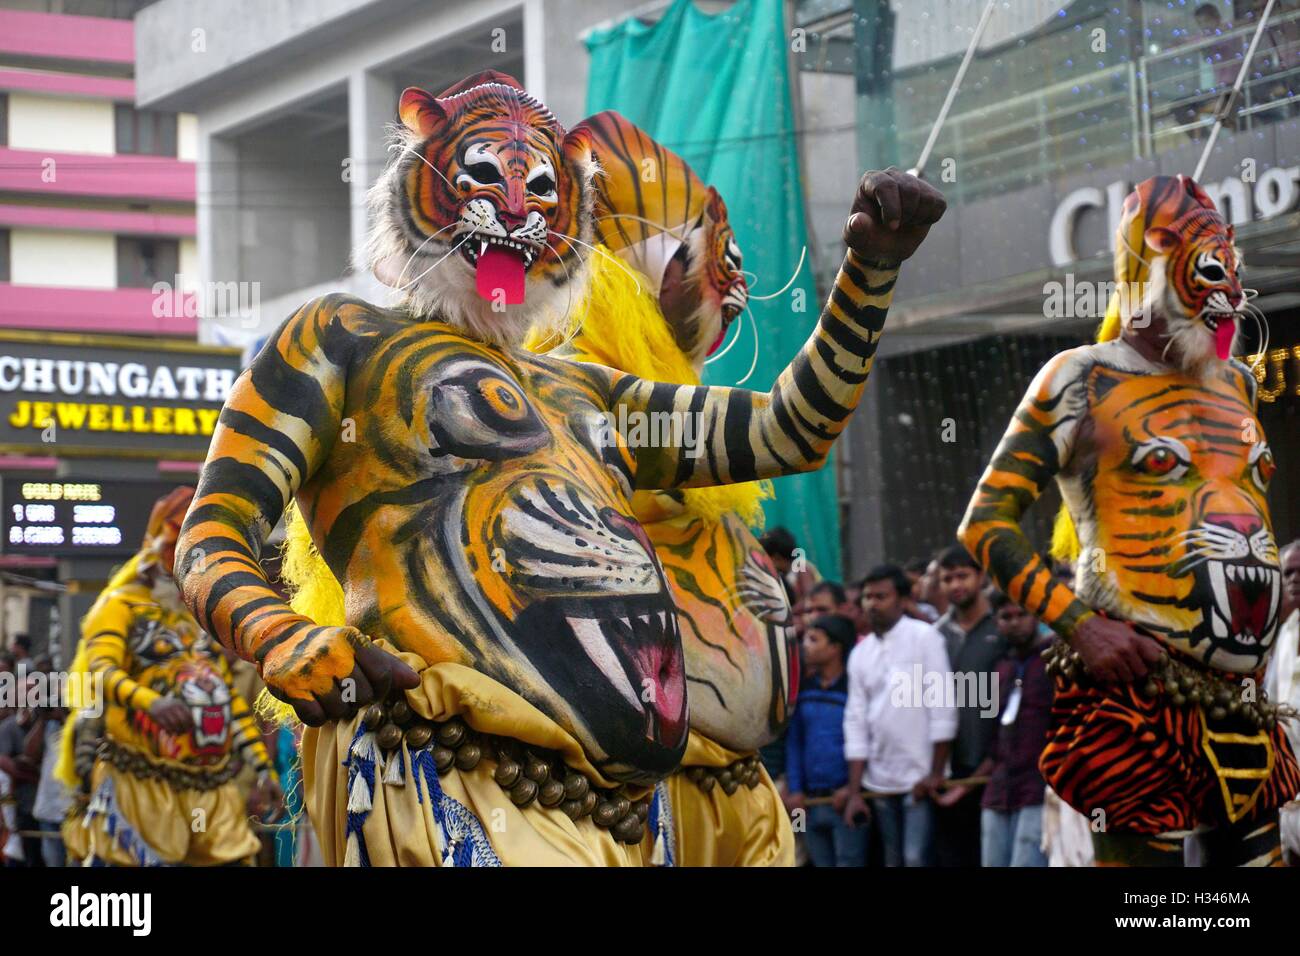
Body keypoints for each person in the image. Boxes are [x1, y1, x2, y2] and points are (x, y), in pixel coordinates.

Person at [172, 70, 946, 866]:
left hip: (614, 817)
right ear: (421, 165)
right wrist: (277, 634)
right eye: (480, 178)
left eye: (543, 190)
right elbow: (211, 532)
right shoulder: (341, 335)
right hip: (440, 779)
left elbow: (792, 430)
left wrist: (869, 271)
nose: (514, 211)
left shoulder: (582, 389)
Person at [959, 175, 1297, 866]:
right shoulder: (1078, 378)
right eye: (1210, 269)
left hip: (1243, 710)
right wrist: (1081, 624)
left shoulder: (1235, 386)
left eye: (1234, 271)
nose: (1231, 292)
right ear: (1149, 259)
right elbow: (985, 522)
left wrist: (1271, 598)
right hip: (1134, 703)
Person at [57, 487, 282, 866]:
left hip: (212, 787)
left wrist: (263, 769)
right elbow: (100, 672)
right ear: (156, 537)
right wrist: (152, 703)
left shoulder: (197, 616)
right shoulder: (119, 605)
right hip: (138, 786)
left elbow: (227, 699)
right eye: (176, 534)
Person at [843, 564, 956, 867]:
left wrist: (935, 773)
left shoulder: (925, 638)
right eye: (867, 597)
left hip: (921, 778)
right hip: (879, 781)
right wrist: (855, 792)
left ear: (903, 600)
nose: (872, 604)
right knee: (893, 860)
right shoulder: (860, 653)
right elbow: (855, 721)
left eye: (881, 596)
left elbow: (943, 707)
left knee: (916, 858)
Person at [931, 544, 1006, 866]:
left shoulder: (1002, 627)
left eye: (963, 576)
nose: (956, 585)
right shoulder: (934, 634)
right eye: (948, 579)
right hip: (947, 766)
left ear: (981, 576)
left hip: (995, 762)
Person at [969, 592, 1052, 867]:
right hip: (998, 790)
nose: (1015, 623)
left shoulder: (1053, 661)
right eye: (1006, 617)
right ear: (996, 622)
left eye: (1021, 615)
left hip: (1039, 789)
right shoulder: (999, 668)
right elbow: (992, 739)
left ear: (1036, 617)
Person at [784, 614, 862, 867]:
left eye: (814, 639)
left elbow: (866, 740)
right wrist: (795, 789)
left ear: (835, 647)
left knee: (849, 861)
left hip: (845, 799)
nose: (805, 645)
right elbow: (795, 742)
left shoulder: (855, 688)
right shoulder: (805, 688)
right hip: (808, 802)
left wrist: (852, 787)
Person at [1264, 539, 1300, 862]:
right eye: (1288, 572)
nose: (1294, 579)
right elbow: (1271, 710)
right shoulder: (1285, 634)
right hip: (1291, 810)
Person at [761, 527, 823, 635]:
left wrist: (784, 614)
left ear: (776, 558)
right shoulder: (780, 574)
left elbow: (810, 600)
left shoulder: (801, 567)